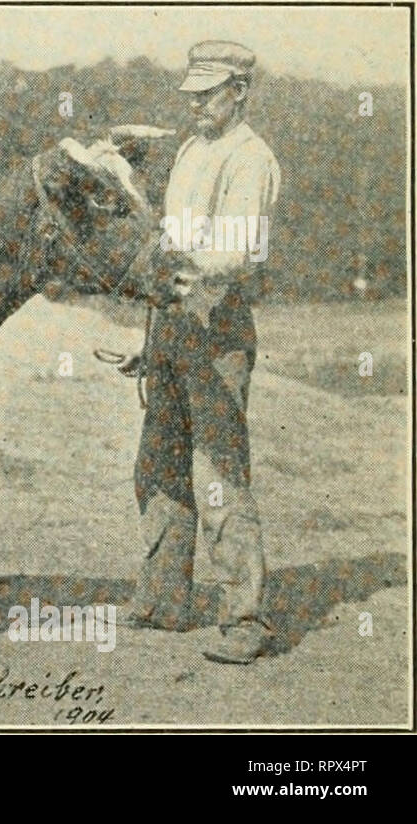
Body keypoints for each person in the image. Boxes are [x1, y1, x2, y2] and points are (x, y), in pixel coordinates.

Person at [118, 41, 281, 664]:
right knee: (156, 468)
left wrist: (175, 273)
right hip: (172, 326)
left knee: (216, 474)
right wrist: (151, 334)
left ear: (239, 90)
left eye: (208, 93)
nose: (195, 104)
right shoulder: (192, 149)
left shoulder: (251, 156)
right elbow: (172, 239)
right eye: (191, 93)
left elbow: (240, 249)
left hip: (218, 329)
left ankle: (245, 618)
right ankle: (162, 602)